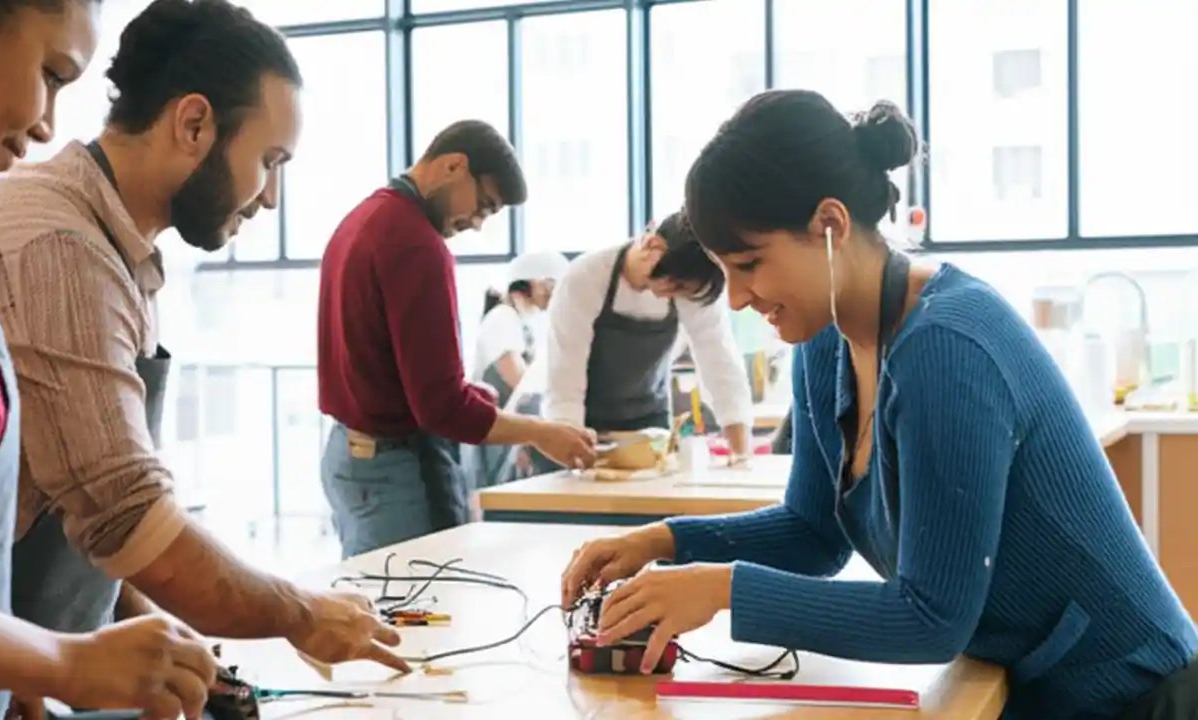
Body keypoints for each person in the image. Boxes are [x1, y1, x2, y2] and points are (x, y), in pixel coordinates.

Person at [561, 90, 1198, 720]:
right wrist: (667, 542)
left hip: (1135, 696)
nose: (735, 298)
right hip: (1033, 689)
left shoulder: (947, 347)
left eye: (749, 264)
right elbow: (814, 534)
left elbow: (931, 620)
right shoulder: (826, 341)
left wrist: (722, 587)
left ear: (830, 224)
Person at [0, 0, 409, 681]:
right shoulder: (58, 247)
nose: (271, 198)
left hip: (16, 651)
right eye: (269, 160)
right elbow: (129, 517)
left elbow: (82, 502)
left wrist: (153, 625)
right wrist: (303, 613)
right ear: (193, 123)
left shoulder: (118, 254)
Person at [0, 0, 219, 717]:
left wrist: (1, 662)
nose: (50, 122)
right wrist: (57, 660)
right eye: (50, 73)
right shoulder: (53, 242)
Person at [318, 119, 597, 558]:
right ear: (454, 166)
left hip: (348, 458)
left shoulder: (364, 218)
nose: (475, 224)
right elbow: (443, 410)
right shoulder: (417, 245)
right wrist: (544, 433)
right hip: (396, 469)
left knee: (378, 606)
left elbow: (381, 365)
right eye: (484, 206)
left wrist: (465, 393)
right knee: (423, 611)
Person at [543, 210, 753, 461]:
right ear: (654, 246)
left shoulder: (694, 283)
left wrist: (740, 451)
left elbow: (719, 360)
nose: (676, 296)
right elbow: (565, 378)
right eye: (675, 286)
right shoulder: (586, 277)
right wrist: (572, 446)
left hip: (648, 425)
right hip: (578, 424)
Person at [469, 250, 570, 487]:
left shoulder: (524, 321)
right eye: (552, 284)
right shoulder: (502, 318)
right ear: (535, 282)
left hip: (510, 431)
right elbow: (519, 380)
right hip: (499, 432)